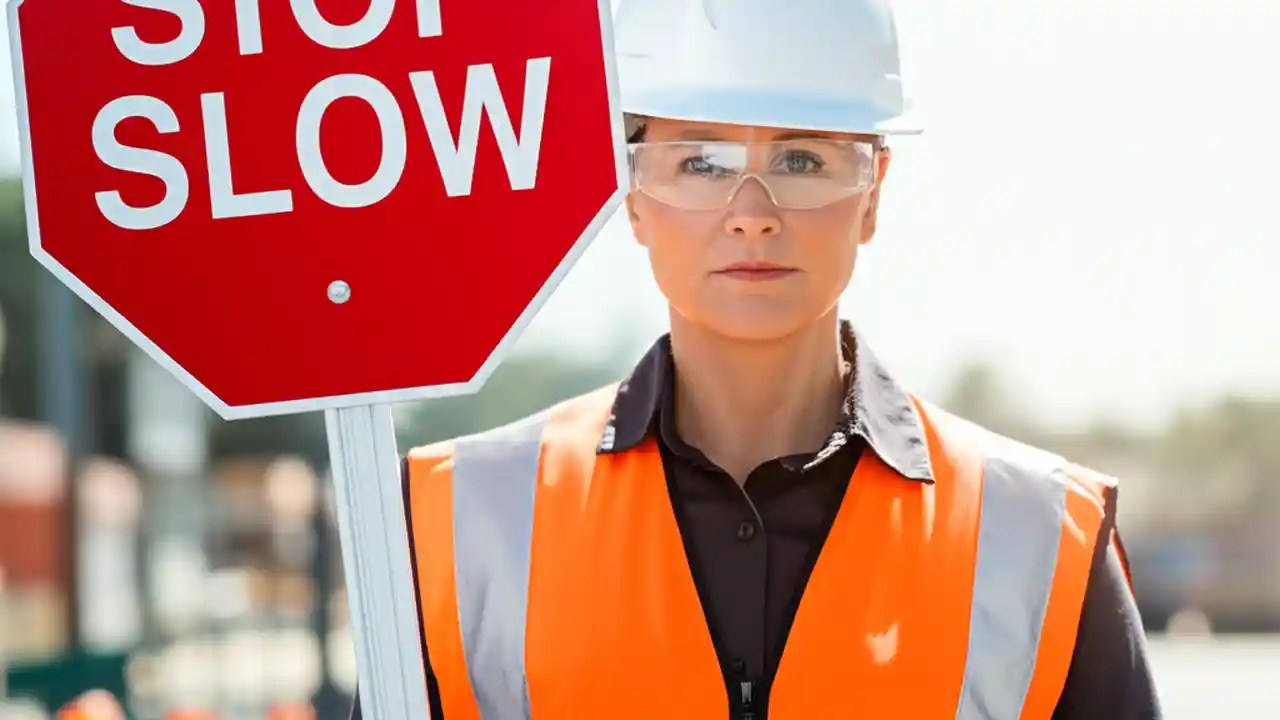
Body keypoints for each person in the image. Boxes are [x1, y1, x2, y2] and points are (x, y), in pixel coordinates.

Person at [352, 0, 1160, 717]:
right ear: (628, 192)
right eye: (702, 163)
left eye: (801, 161)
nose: (751, 214)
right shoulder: (461, 522)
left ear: (872, 193)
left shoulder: (1036, 534)